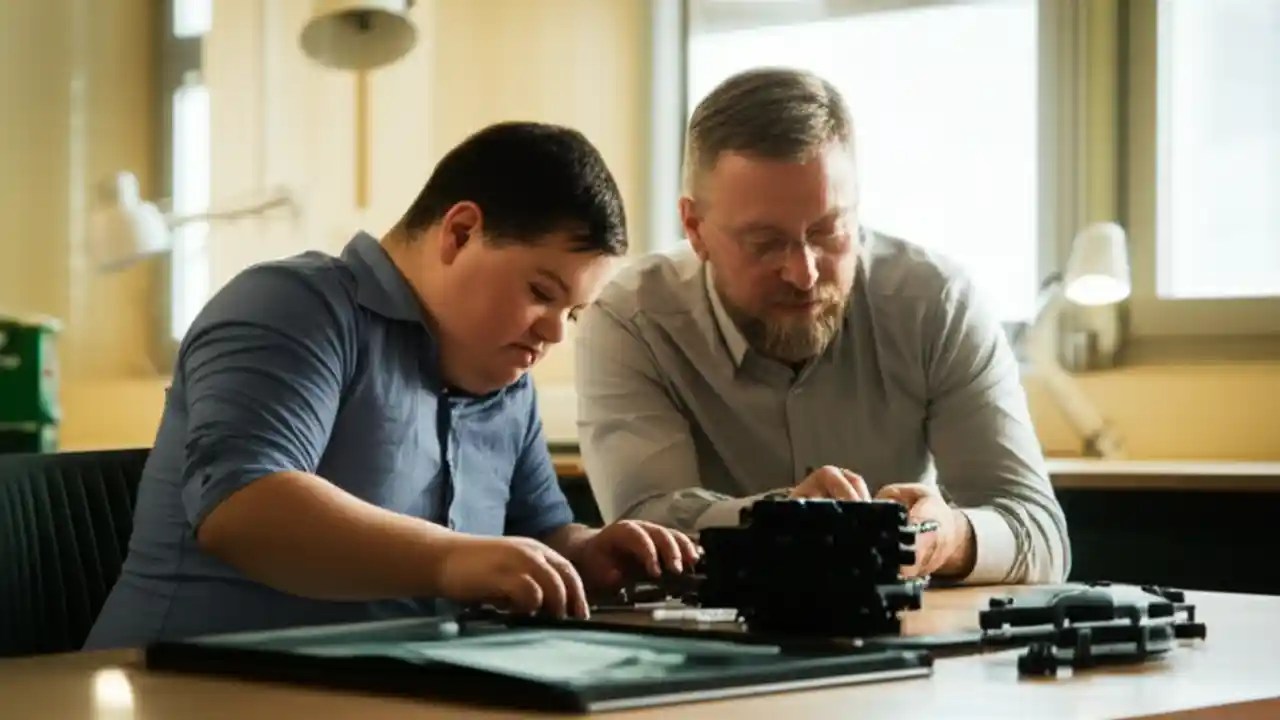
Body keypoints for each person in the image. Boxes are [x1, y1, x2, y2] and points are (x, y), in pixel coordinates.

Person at [85, 121, 698, 650]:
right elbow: (244, 505)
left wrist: (584, 553)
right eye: (540, 293)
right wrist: (454, 559)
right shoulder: (292, 306)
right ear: (459, 233)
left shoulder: (506, 382)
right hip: (188, 690)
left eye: (573, 313)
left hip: (398, 690)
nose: (555, 335)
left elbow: (536, 530)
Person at [575, 68, 1069, 585]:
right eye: (765, 242)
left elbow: (1041, 535)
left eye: (829, 231)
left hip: (904, 644)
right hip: (713, 645)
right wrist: (785, 521)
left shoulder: (937, 304)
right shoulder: (631, 320)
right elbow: (645, 529)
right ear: (695, 229)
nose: (804, 273)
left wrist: (950, 539)